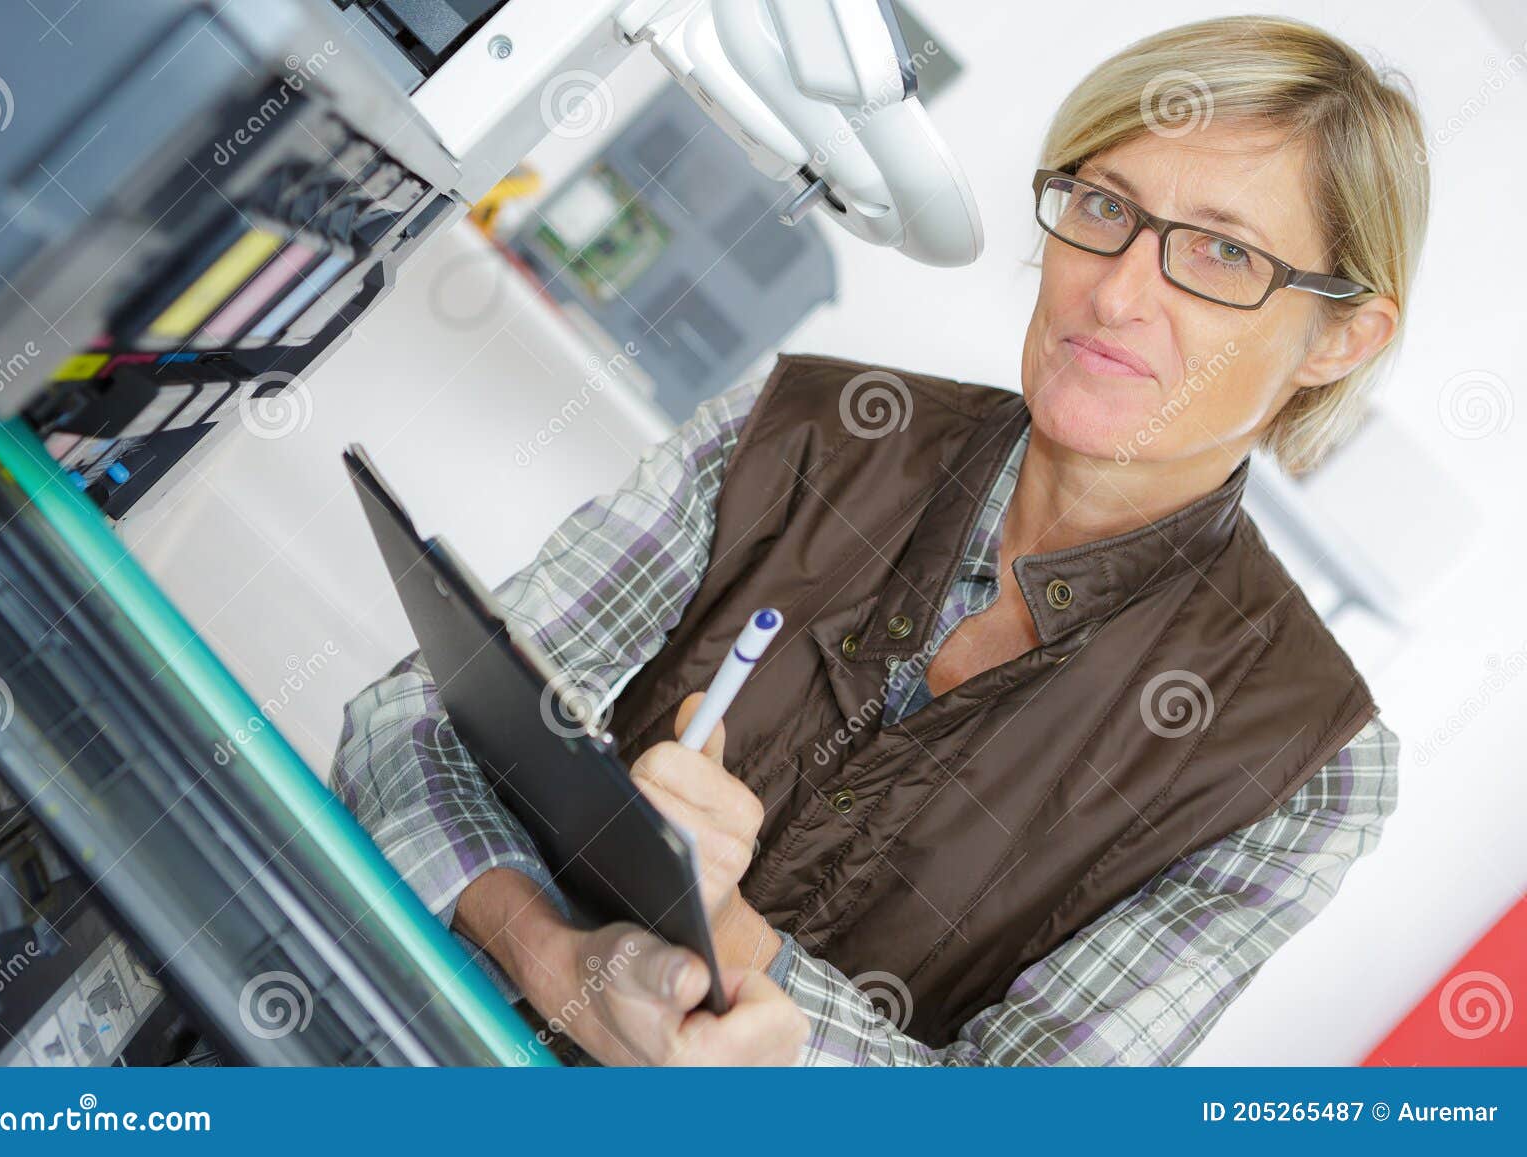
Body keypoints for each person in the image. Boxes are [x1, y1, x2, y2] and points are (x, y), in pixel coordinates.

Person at [330, 15, 1427, 1065]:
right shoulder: (803, 431)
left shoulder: (1308, 767)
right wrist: (552, 949)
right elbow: (415, 714)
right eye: (1102, 206)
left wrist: (726, 932)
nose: (1119, 290)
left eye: (1222, 255)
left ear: (1339, 336)